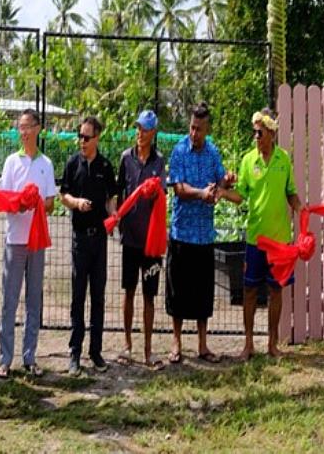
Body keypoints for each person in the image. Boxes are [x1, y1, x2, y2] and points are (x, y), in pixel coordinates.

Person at [217, 107, 301, 360]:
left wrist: (301, 207)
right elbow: (240, 194)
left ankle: (272, 344)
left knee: (277, 291)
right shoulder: (247, 160)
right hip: (255, 239)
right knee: (250, 291)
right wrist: (222, 193)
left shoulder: (283, 159)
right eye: (253, 132)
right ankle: (248, 344)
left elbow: (291, 192)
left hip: (280, 240)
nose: (255, 136)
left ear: (271, 133)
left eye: (259, 132)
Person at [166, 102, 233, 364]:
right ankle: (176, 343)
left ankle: (203, 345)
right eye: (192, 128)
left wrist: (226, 181)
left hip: (205, 234)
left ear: (207, 129)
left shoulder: (213, 152)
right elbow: (179, 189)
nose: (195, 133)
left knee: (203, 291)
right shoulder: (179, 151)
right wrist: (201, 193)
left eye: (200, 129)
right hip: (182, 233)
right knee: (178, 290)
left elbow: (219, 182)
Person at [0, 109, 56, 379]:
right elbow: (3, 200)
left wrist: (37, 204)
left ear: (38, 128)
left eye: (28, 126)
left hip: (37, 242)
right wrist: (21, 202)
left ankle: (29, 356)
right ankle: (4, 359)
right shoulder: (11, 162)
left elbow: (52, 204)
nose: (23, 132)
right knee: (9, 300)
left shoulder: (46, 164)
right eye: (20, 127)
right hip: (15, 239)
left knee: (34, 300)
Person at [60, 115, 118, 375]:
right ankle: (75, 352)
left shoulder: (106, 166)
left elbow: (111, 197)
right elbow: (64, 195)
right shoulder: (74, 163)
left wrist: (114, 215)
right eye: (80, 137)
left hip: (100, 240)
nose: (81, 141)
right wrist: (76, 203)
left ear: (97, 138)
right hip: (80, 238)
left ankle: (96, 352)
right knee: (78, 295)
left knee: (98, 295)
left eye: (86, 137)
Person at [115, 109, 166, 370]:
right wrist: (116, 219)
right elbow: (119, 193)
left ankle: (147, 349)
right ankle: (127, 345)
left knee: (149, 295)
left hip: (151, 242)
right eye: (138, 128)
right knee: (129, 291)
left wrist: (155, 191)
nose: (140, 134)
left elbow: (163, 195)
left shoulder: (159, 162)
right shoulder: (126, 158)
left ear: (153, 132)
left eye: (145, 129)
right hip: (130, 237)